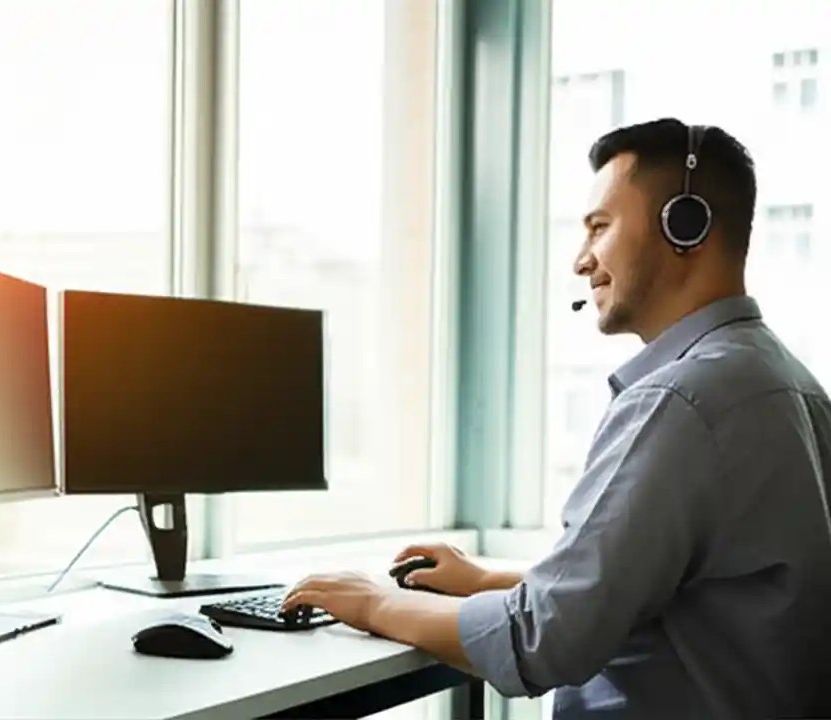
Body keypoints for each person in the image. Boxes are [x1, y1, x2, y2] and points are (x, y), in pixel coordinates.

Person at [282, 118, 831, 718]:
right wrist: (486, 580)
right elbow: (684, 591)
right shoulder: (789, 385)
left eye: (600, 227)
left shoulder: (681, 401)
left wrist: (370, 604)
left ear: (685, 224)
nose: (580, 260)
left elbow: (539, 640)